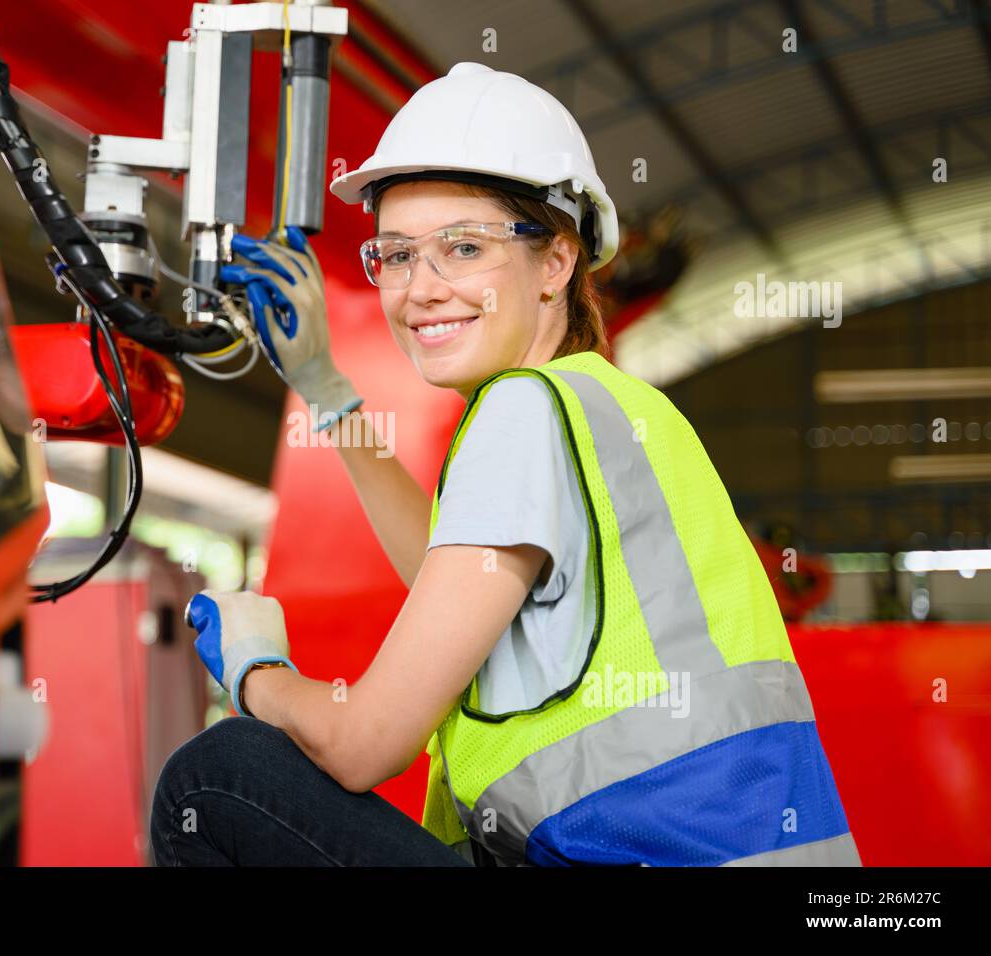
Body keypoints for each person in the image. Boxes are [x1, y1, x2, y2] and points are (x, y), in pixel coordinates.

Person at [149, 62, 859, 867]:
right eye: (397, 254)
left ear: (557, 262)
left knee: (218, 779)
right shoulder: (609, 408)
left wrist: (254, 673)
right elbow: (451, 585)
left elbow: (363, 745)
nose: (420, 290)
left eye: (462, 248)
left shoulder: (525, 409)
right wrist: (327, 389)